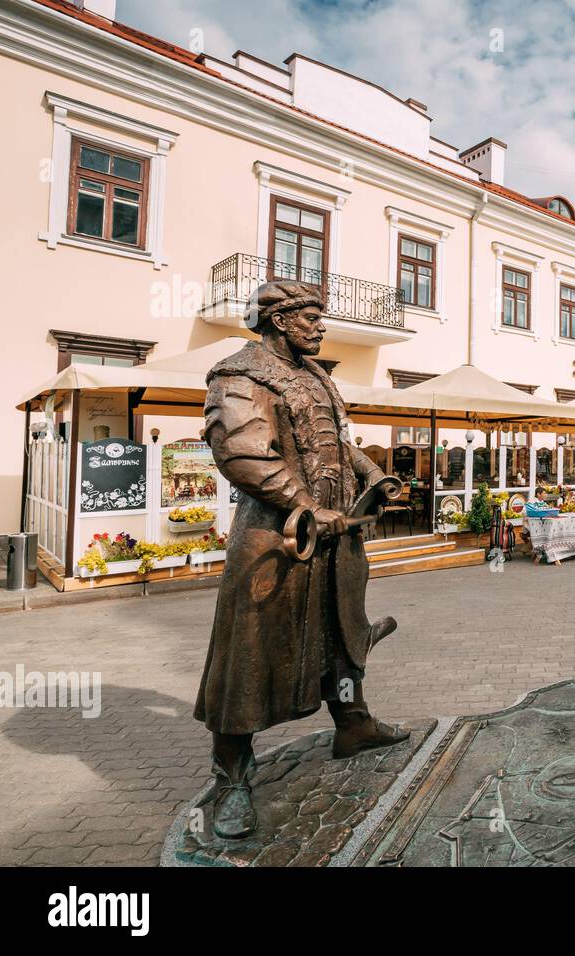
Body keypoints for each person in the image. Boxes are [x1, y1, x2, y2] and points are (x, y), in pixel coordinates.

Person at [195, 281, 408, 840]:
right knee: (250, 655)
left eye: (321, 317)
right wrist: (307, 505)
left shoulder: (317, 377)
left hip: (333, 539)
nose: (320, 326)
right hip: (276, 541)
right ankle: (231, 776)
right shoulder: (239, 373)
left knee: (343, 634)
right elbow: (241, 454)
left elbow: (338, 443)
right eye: (311, 317)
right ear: (280, 319)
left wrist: (372, 475)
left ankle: (353, 726)